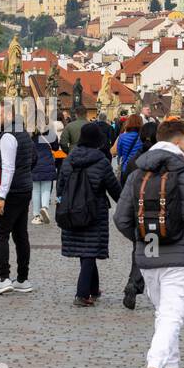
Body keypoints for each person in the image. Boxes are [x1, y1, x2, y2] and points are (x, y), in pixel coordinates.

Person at [114, 118, 184, 368]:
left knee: (164, 314)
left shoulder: (138, 174)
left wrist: (143, 239)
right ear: (178, 140)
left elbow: (121, 218)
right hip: (180, 255)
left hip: (149, 252)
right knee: (172, 314)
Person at [57, 123, 122, 306]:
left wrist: (62, 204)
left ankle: (93, 289)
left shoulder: (69, 159)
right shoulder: (101, 161)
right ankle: (82, 294)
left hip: (72, 211)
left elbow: (60, 186)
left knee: (86, 251)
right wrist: (127, 206)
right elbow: (114, 189)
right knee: (89, 251)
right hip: (94, 212)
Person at [0, 105, 35, 295]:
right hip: (25, 188)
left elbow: (8, 168)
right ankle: (23, 279)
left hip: (11, 191)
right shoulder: (23, 133)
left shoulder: (8, 136)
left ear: (9, 115)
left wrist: (1, 196)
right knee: (20, 234)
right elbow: (34, 158)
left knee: (1, 233)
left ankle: (4, 278)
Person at [120, 119, 157, 309]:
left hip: (138, 210)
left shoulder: (135, 161)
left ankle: (135, 283)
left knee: (140, 247)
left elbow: (124, 186)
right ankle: (139, 284)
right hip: (159, 211)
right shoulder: (163, 160)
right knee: (155, 250)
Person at [30, 128, 58, 224]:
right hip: (47, 163)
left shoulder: (30, 133)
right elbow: (56, 148)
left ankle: (36, 216)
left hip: (34, 164)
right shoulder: (50, 133)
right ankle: (44, 207)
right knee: (46, 189)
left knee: (35, 190)